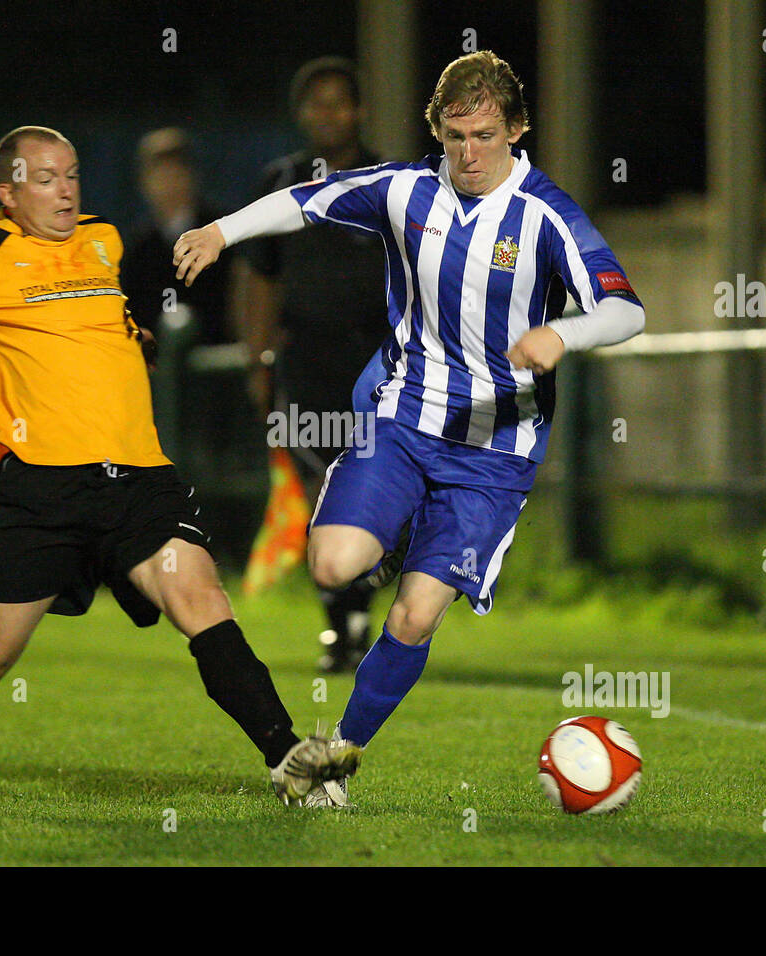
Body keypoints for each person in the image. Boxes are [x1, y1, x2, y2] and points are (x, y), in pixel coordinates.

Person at [175, 51, 645, 804]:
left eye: (485, 135)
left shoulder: (548, 215)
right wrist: (221, 232)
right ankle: (394, 529)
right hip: (403, 419)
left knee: (417, 613)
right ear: (437, 130)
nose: (469, 153)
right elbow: (306, 199)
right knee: (331, 565)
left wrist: (565, 335)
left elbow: (627, 308)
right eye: (455, 135)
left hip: (495, 453)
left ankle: (338, 753)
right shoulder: (405, 191)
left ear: (517, 130)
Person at [0, 123, 361, 808]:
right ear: (8, 191)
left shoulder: (102, 240)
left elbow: (92, 325)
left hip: (137, 478)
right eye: (45, 178)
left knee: (202, 600)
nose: (65, 190)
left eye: (72, 174)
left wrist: (131, 340)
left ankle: (287, 756)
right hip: (40, 490)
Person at [234, 57, 392, 673]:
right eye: (315, 103)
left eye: (339, 102)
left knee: (382, 491)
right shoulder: (284, 183)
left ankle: (361, 595)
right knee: (321, 491)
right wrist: (257, 361)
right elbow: (261, 277)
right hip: (306, 365)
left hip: (381, 364)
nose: (328, 114)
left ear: (359, 111)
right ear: (302, 114)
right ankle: (342, 619)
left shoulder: (391, 183)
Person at [122, 127, 234, 345]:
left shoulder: (223, 233)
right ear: (144, 182)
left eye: (175, 173)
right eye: (159, 175)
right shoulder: (138, 248)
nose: (168, 185)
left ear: (191, 176)